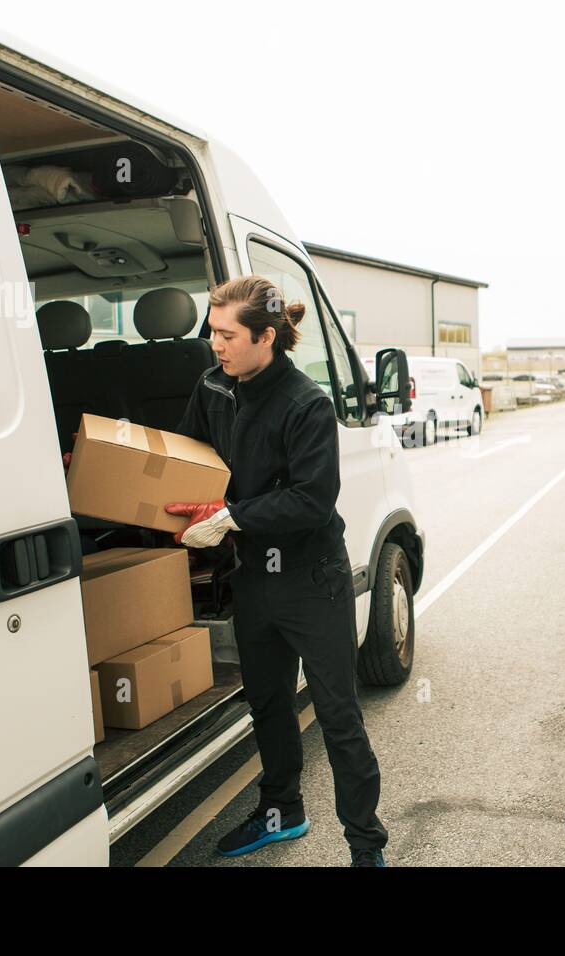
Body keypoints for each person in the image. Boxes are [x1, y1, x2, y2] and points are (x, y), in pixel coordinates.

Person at [165, 275, 388, 867]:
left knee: (338, 715)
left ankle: (366, 846)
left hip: (312, 580)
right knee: (266, 704)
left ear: (266, 336)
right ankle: (281, 812)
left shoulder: (305, 403)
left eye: (226, 334)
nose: (215, 345)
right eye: (211, 332)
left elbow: (313, 500)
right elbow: (188, 456)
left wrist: (232, 517)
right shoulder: (212, 386)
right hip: (255, 580)